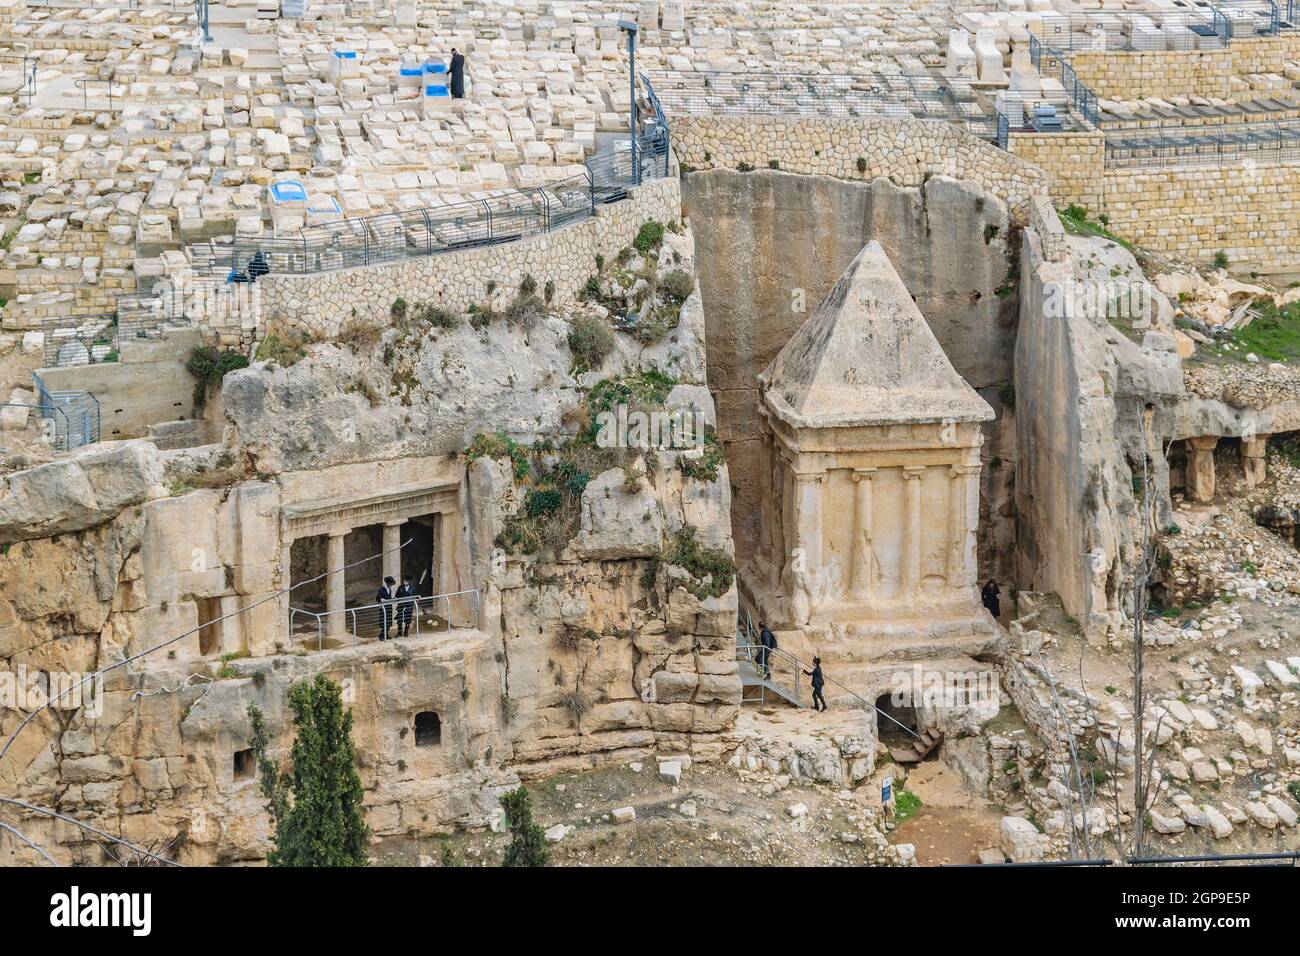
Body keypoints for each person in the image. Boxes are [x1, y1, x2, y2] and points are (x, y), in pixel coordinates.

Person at [376, 575, 396, 639]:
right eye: (390, 584)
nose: (391, 585)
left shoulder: (389, 590)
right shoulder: (381, 590)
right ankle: (382, 635)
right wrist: (381, 599)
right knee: (384, 623)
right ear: (387, 584)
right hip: (384, 609)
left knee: (388, 623)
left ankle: (386, 635)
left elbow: (389, 598)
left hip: (389, 608)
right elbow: (377, 598)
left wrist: (393, 599)